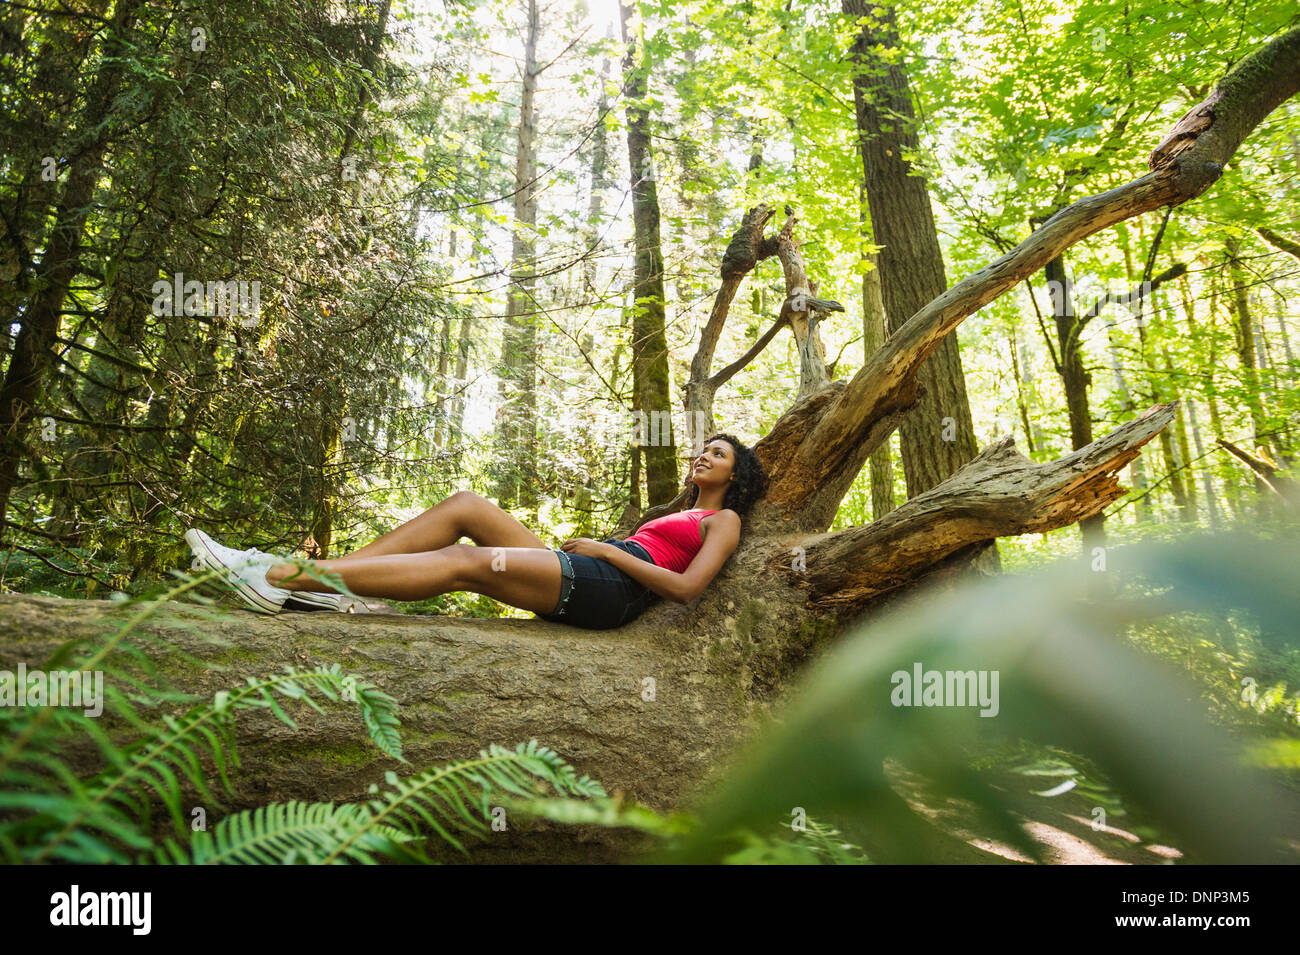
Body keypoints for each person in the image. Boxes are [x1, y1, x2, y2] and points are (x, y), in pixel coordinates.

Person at [184, 432, 767, 630]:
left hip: (610, 587)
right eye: (702, 448)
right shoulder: (683, 510)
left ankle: (276, 574)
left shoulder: (726, 519)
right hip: (593, 569)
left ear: (735, 472)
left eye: (717, 453)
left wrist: (599, 550)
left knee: (466, 561)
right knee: (466, 506)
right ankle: (327, 586)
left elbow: (688, 588)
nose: (702, 455)